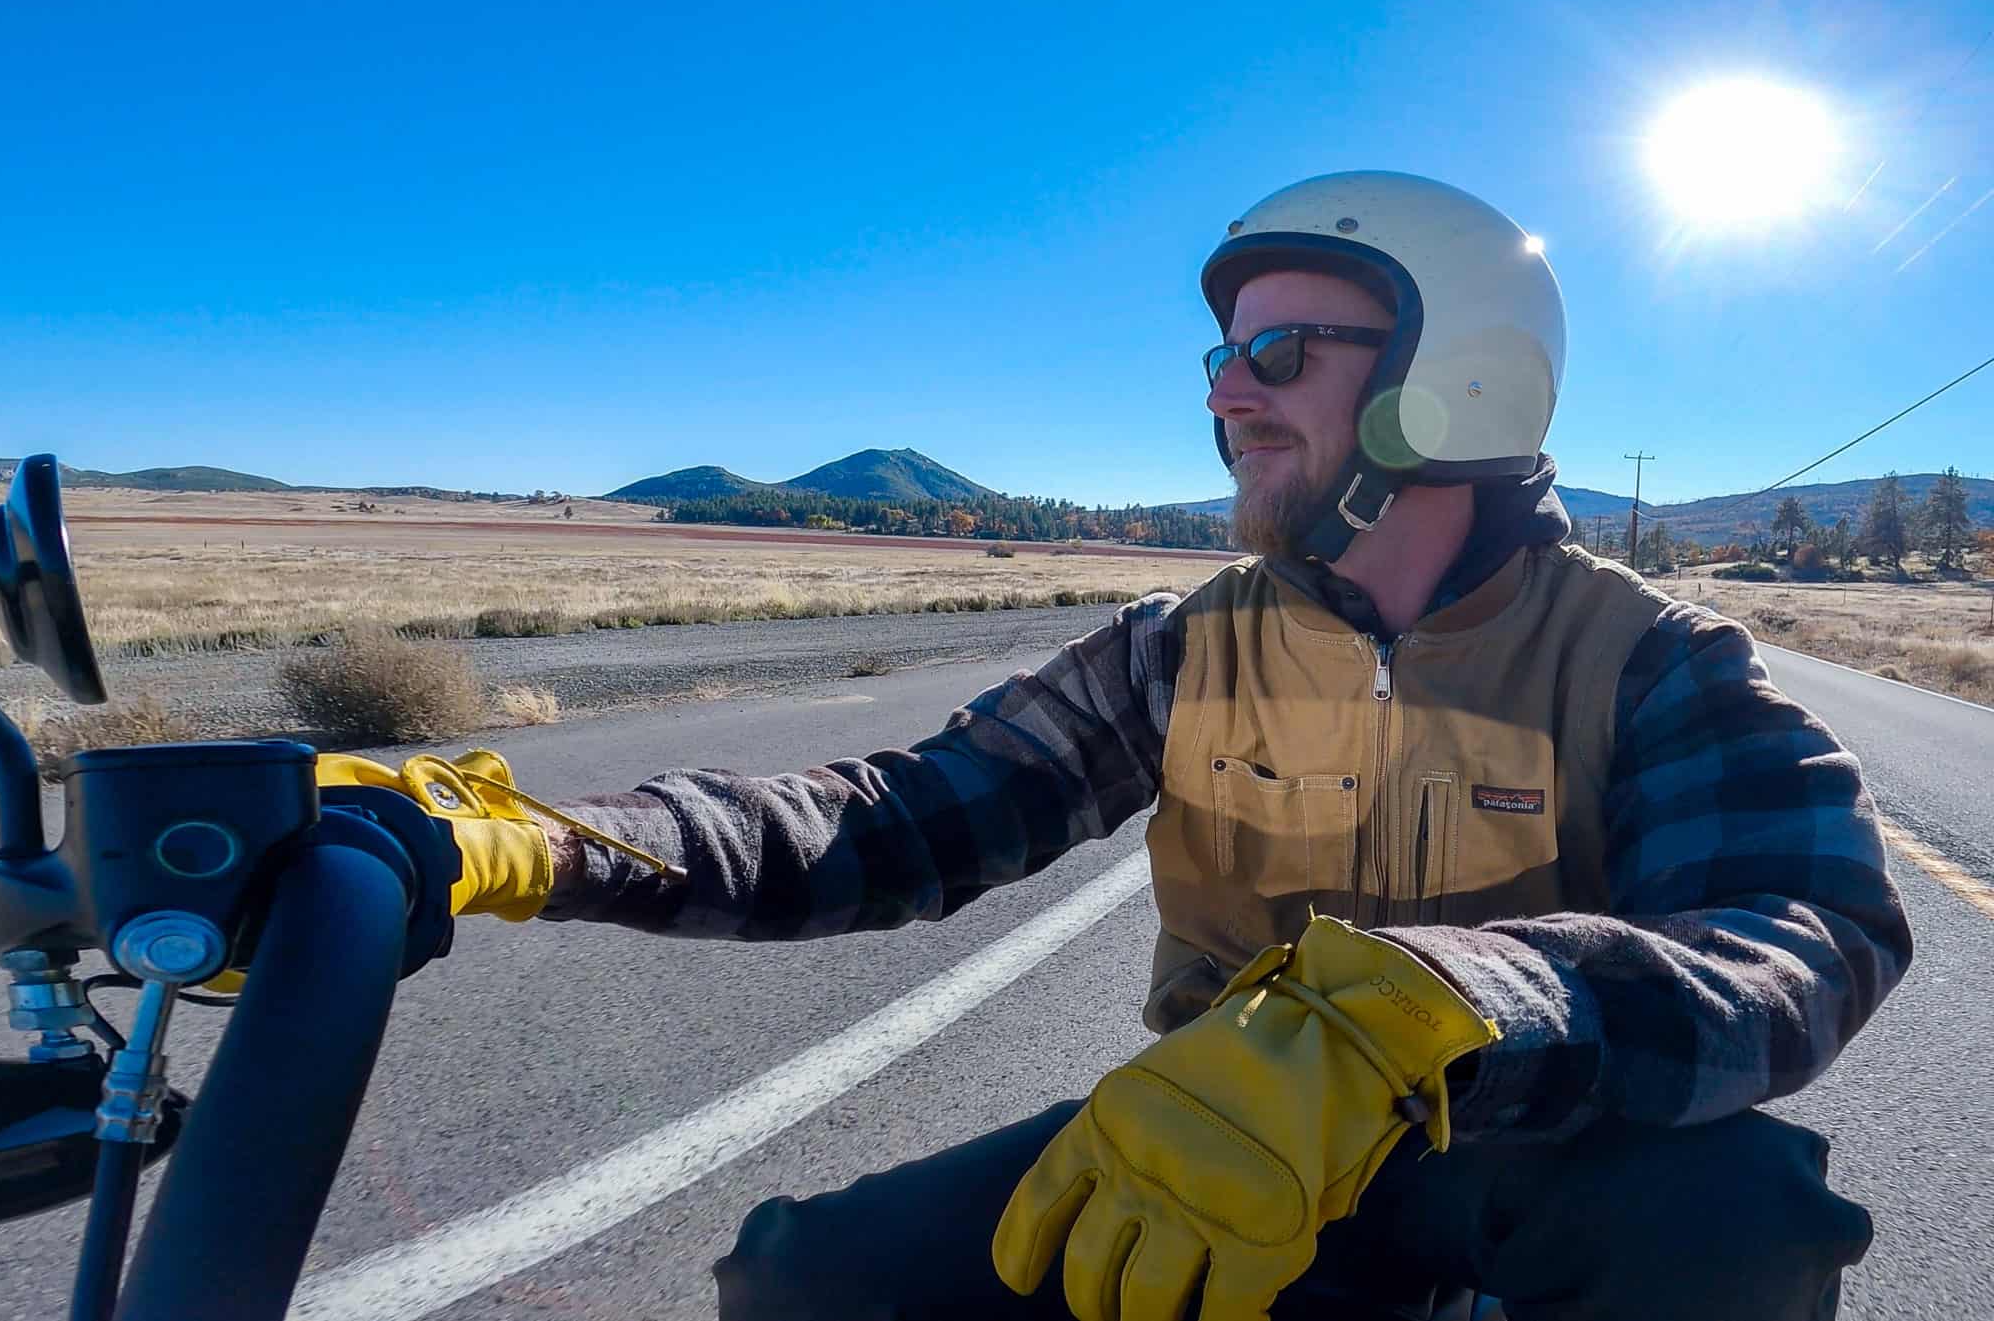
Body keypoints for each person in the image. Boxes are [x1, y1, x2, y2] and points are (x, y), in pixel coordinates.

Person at [324, 171, 1912, 1321]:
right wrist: (542, 840)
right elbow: (899, 813)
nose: (1229, 391)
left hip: (1506, 1148)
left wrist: (1441, 1012)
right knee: (808, 1279)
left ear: (1457, 372)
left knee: (1740, 1214)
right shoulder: (1184, 645)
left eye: (1282, 351)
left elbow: (1803, 929)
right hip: (1197, 1139)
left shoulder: (1649, 656)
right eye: (1222, 360)